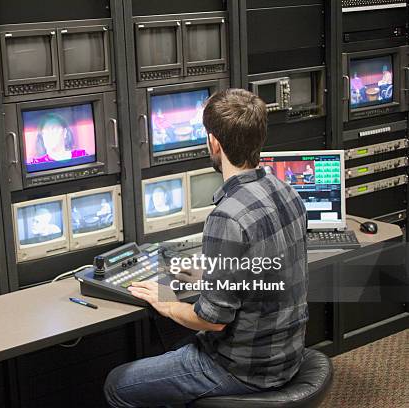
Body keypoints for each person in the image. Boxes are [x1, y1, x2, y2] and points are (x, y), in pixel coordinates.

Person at [105, 89, 308, 407]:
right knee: (170, 342)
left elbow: (213, 320)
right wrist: (208, 276)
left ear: (214, 142)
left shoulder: (227, 216)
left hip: (244, 369)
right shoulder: (286, 191)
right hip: (286, 355)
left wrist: (167, 302)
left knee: (118, 384)